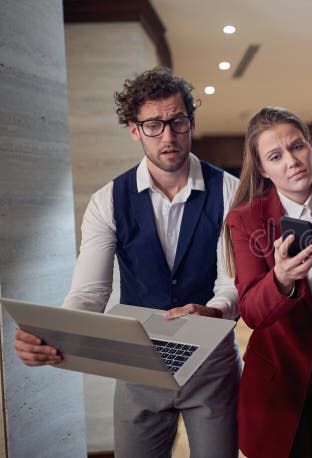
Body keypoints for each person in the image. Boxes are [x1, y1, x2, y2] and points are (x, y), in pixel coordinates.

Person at [12, 67, 241, 456]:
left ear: (191, 122)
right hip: (139, 366)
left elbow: (232, 283)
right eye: (153, 125)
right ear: (134, 129)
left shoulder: (231, 191)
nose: (167, 136)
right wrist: (52, 335)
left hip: (212, 365)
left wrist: (215, 312)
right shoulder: (107, 201)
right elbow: (89, 293)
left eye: (177, 122)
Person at [224, 107, 312, 458]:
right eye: (276, 155)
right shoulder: (245, 218)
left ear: (310, 146)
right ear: (262, 169)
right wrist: (280, 279)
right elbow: (252, 311)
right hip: (278, 373)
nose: (292, 160)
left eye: (297, 146)